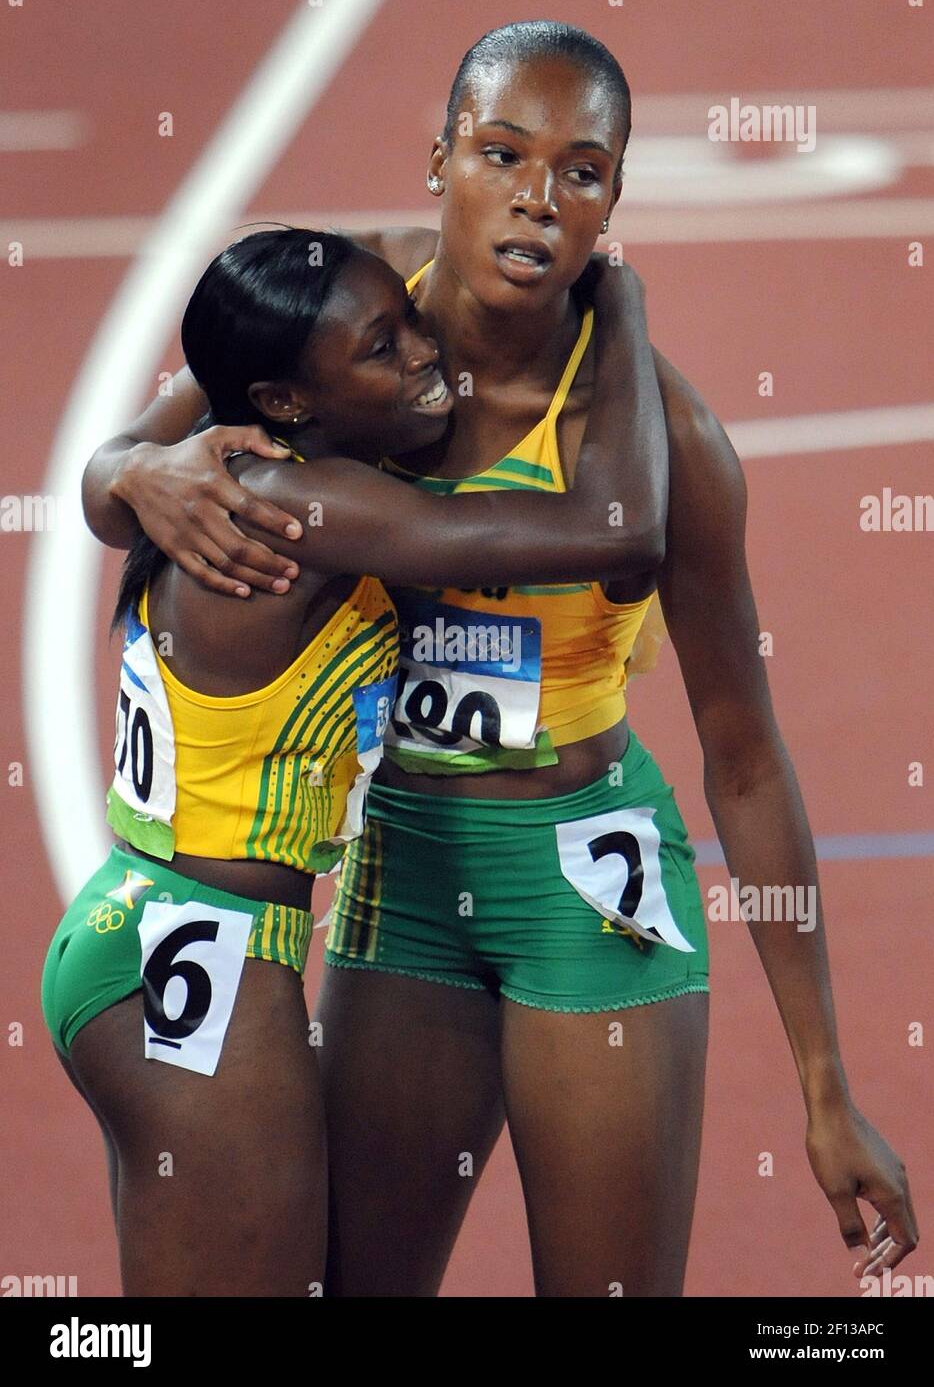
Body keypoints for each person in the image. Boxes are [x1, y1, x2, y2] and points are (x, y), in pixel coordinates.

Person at [81, 22, 917, 1298]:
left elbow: (742, 758)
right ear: (440, 160)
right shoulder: (348, 324)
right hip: (402, 873)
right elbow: (120, 466)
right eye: (502, 152)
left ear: (614, 200)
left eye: (582, 171)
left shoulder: (666, 442)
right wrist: (134, 468)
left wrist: (824, 1085)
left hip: (585, 888)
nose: (537, 195)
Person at [43, 222, 668, 1295]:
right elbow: (613, 531)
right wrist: (618, 313)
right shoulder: (303, 506)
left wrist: (128, 464)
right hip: (211, 962)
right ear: (287, 398)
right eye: (382, 347)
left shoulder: (226, 448)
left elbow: (126, 454)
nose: (423, 353)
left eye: (412, 320)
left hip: (143, 931)